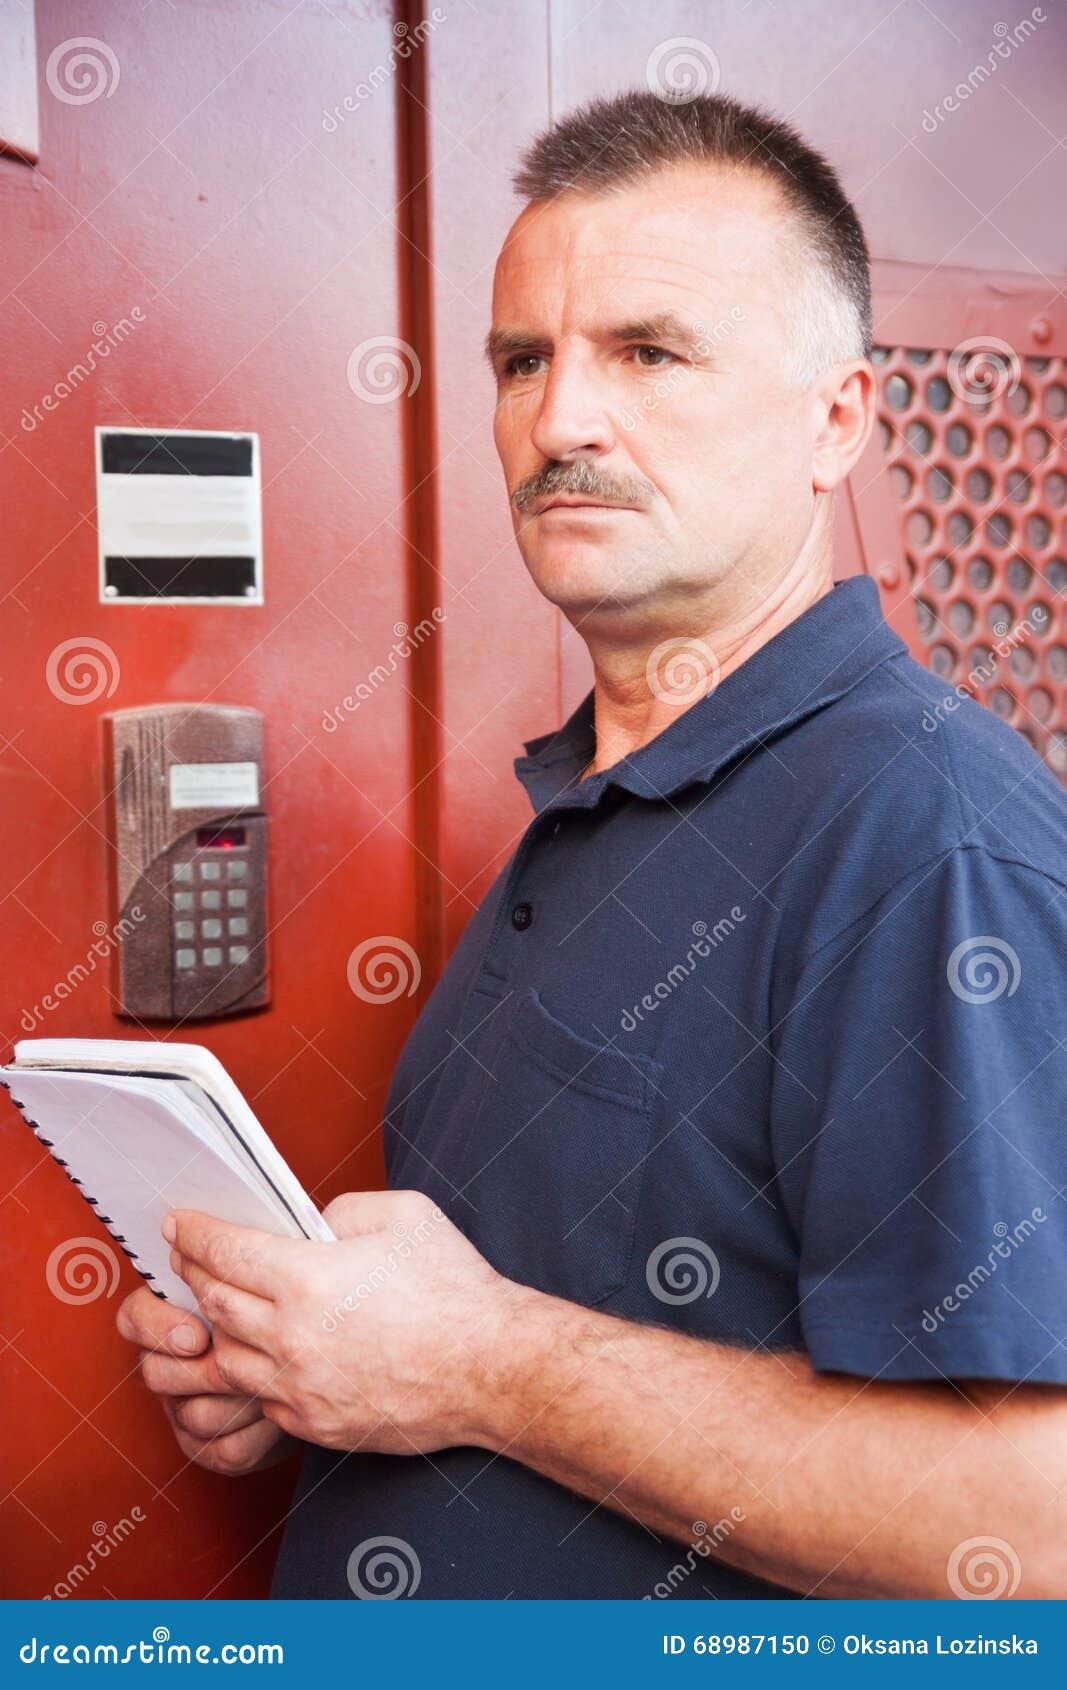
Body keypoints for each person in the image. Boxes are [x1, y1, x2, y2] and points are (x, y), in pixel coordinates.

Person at [117, 89, 1067, 1600]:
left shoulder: (926, 841)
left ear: (837, 421)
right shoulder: (592, 801)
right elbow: (549, 1323)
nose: (559, 421)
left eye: (650, 352)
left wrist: (479, 1361)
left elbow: (1026, 1524)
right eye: (523, 360)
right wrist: (316, 1364)